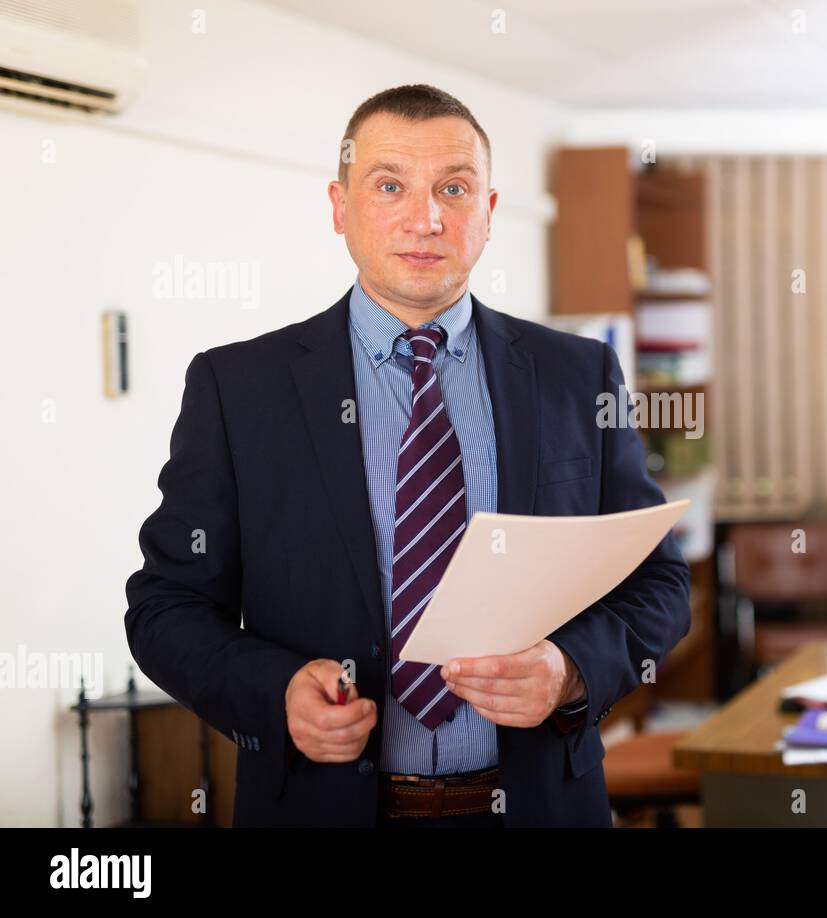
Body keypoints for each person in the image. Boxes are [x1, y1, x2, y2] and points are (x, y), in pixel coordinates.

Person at [124, 84, 692, 827]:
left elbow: (660, 580)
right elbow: (165, 606)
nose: (426, 219)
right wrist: (276, 691)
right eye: (390, 185)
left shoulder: (576, 375)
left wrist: (573, 670)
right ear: (339, 206)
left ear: (487, 213)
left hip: (539, 806)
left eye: (453, 189)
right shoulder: (239, 389)